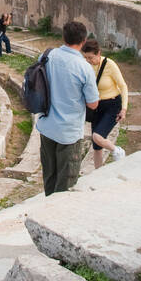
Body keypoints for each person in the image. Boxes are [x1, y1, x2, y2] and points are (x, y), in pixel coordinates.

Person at [35, 21, 100, 196]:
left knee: (49, 177)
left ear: (64, 37)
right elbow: (93, 103)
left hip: (47, 126)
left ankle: (47, 208)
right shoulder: (84, 68)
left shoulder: (46, 56)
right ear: (83, 41)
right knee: (66, 184)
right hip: (68, 132)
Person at [81, 39, 127, 168]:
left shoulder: (110, 65)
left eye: (91, 57)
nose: (88, 60)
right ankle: (98, 172)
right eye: (86, 57)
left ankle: (117, 151)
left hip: (112, 105)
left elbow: (123, 86)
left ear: (98, 53)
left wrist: (124, 109)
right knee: (96, 146)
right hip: (96, 106)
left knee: (97, 136)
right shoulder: (86, 66)